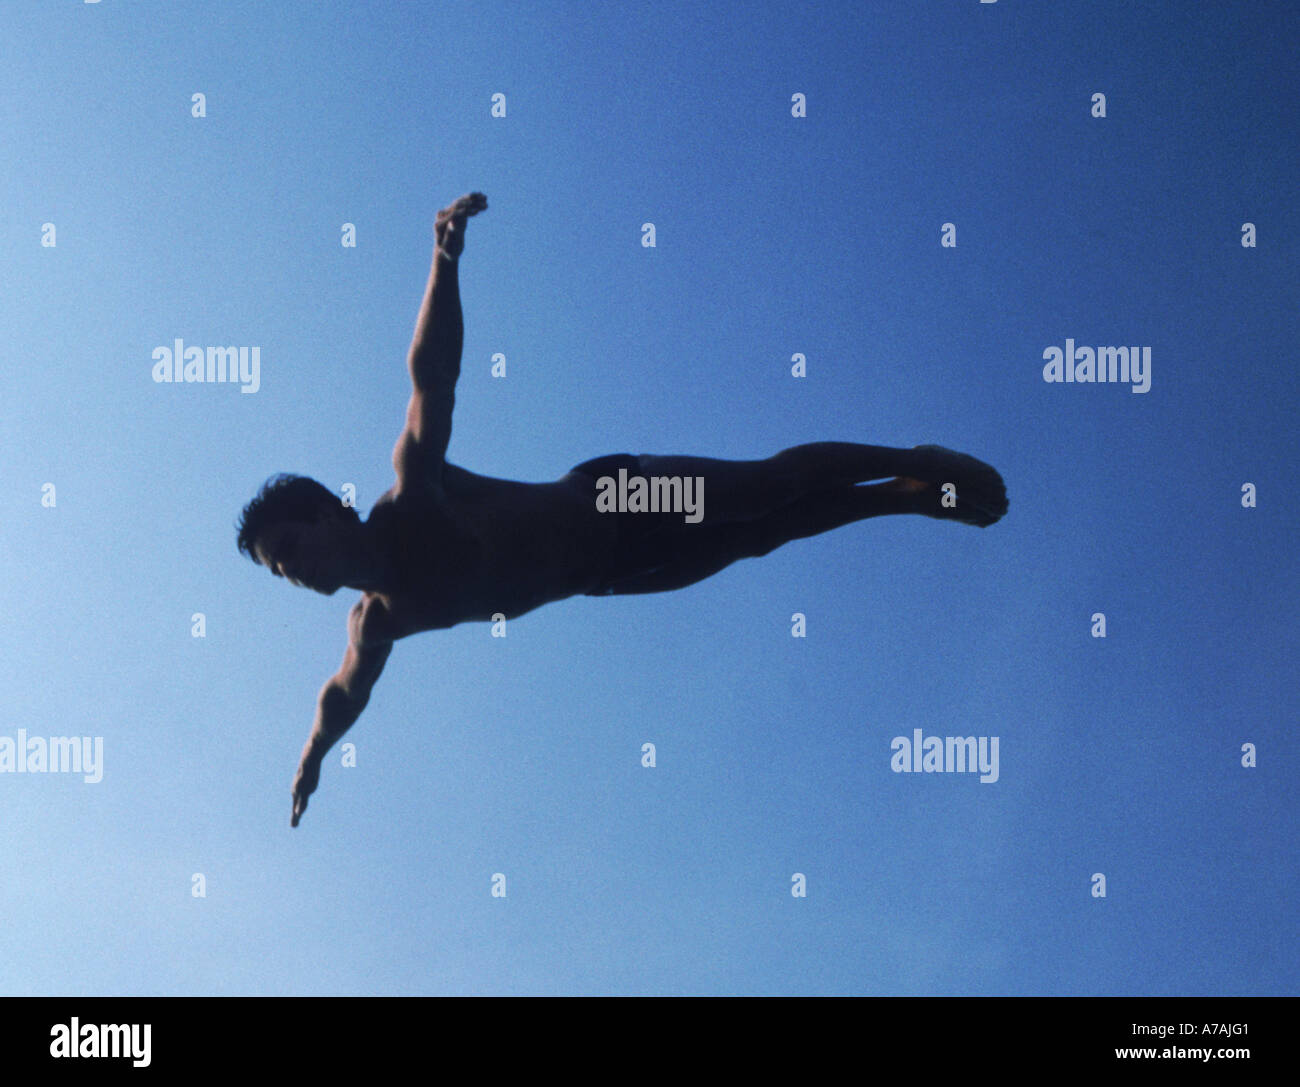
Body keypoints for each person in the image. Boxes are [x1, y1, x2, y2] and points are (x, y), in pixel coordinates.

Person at [235, 193, 1008, 826]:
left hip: (615, 498)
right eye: (279, 571)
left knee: (767, 489)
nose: (293, 572)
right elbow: (342, 694)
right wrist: (311, 758)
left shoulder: (411, 494)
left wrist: (444, 259)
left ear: (330, 514)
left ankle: (913, 460)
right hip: (610, 573)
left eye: (291, 548)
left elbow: (433, 380)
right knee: (761, 540)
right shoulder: (376, 620)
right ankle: (909, 501)